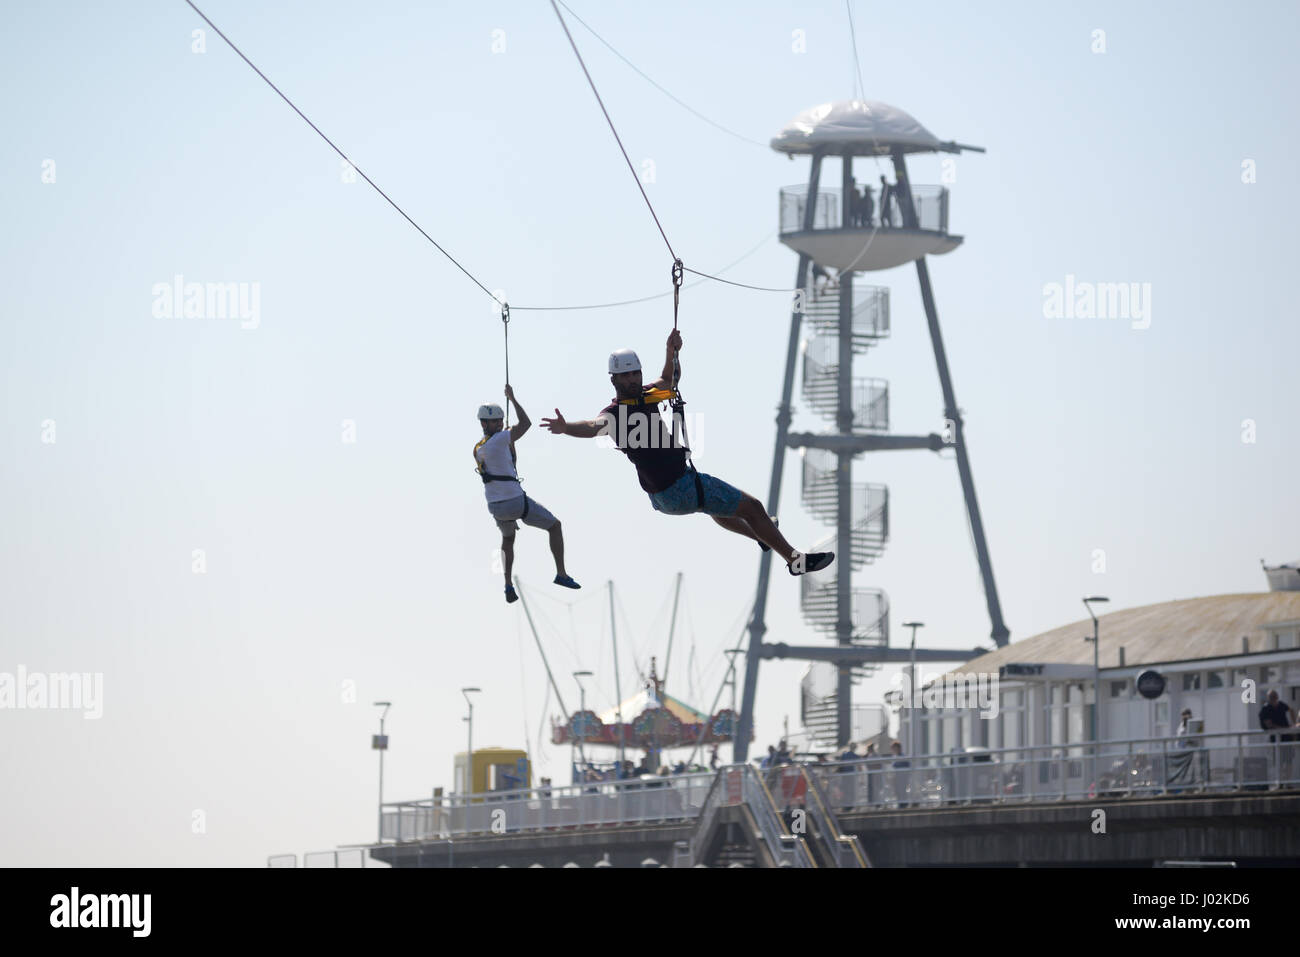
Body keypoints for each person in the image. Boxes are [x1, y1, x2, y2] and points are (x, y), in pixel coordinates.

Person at [541, 331, 834, 577]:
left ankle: (763, 536)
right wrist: (566, 427)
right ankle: (795, 560)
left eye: (635, 373)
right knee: (754, 508)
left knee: (714, 507)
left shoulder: (648, 395)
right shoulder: (615, 414)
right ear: (613, 380)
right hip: (677, 488)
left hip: (664, 497)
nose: (631, 379)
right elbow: (592, 426)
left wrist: (671, 352)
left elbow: (669, 380)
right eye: (624, 376)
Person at [474, 385, 580, 603]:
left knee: (508, 539)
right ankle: (561, 573)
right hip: (514, 501)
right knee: (555, 526)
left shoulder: (478, 448)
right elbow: (526, 424)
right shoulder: (500, 439)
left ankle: (507, 585)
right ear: (485, 424)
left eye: (500, 421)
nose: (499, 424)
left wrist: (509, 440)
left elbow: (507, 463)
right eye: (495, 422)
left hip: (495, 507)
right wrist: (512, 398)